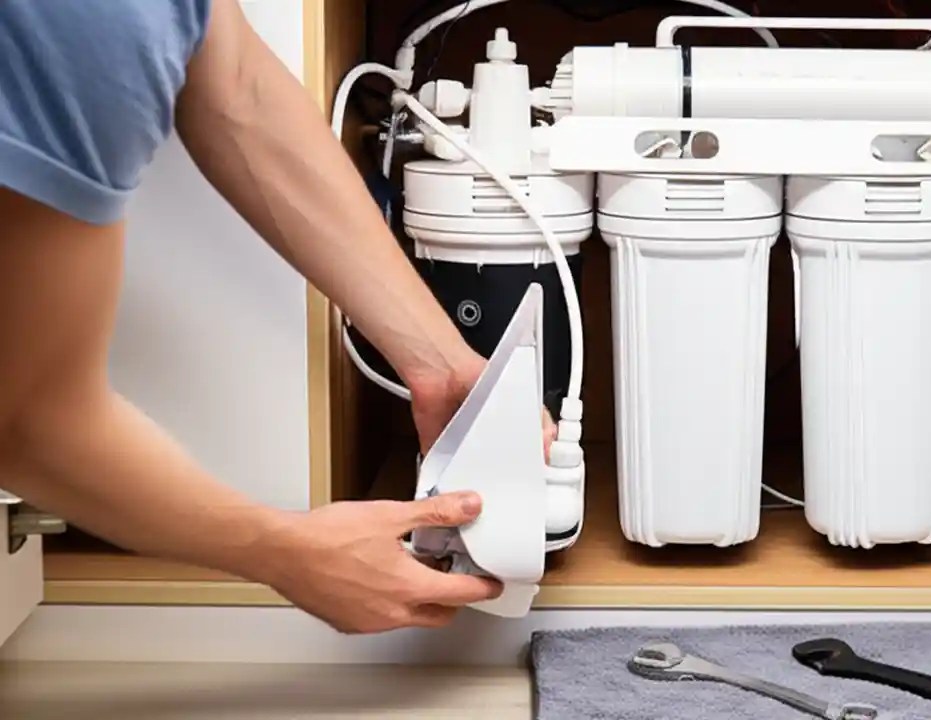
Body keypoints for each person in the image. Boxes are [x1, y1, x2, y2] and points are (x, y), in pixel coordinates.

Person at [0, 0, 547, 633]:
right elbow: (26, 417)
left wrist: (442, 367)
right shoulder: (86, 20)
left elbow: (237, 90)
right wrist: (286, 551)